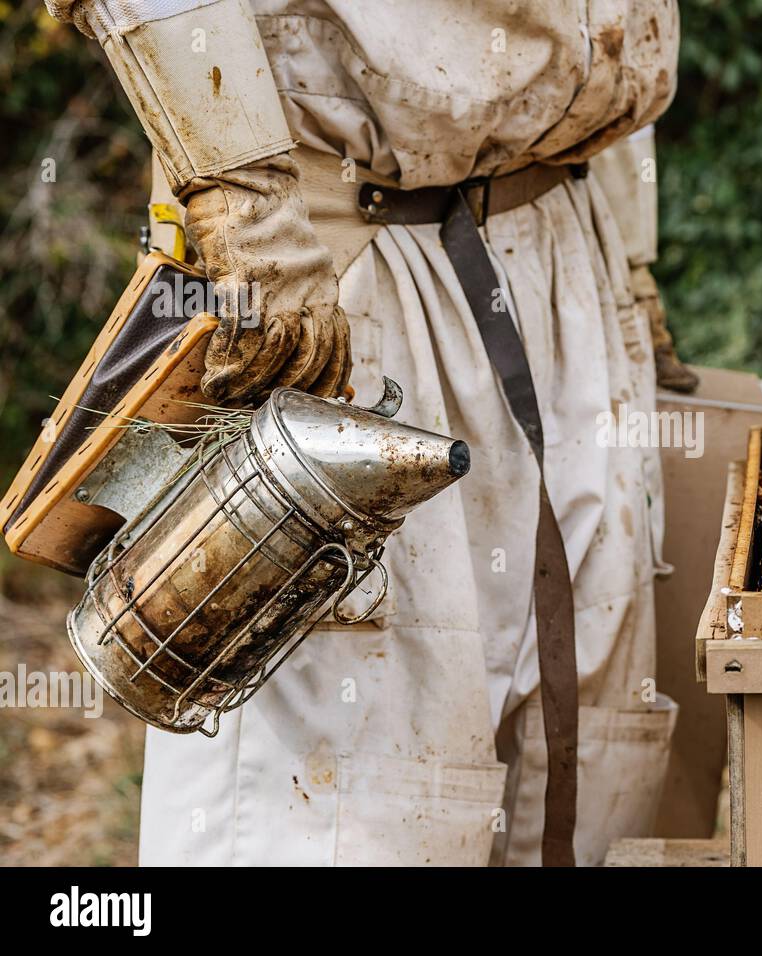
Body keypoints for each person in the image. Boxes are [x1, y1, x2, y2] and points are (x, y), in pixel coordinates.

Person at [48, 0, 683, 866]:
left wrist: (632, 254)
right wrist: (248, 209)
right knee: (347, 801)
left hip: (562, 246)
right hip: (336, 278)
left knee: (572, 757)